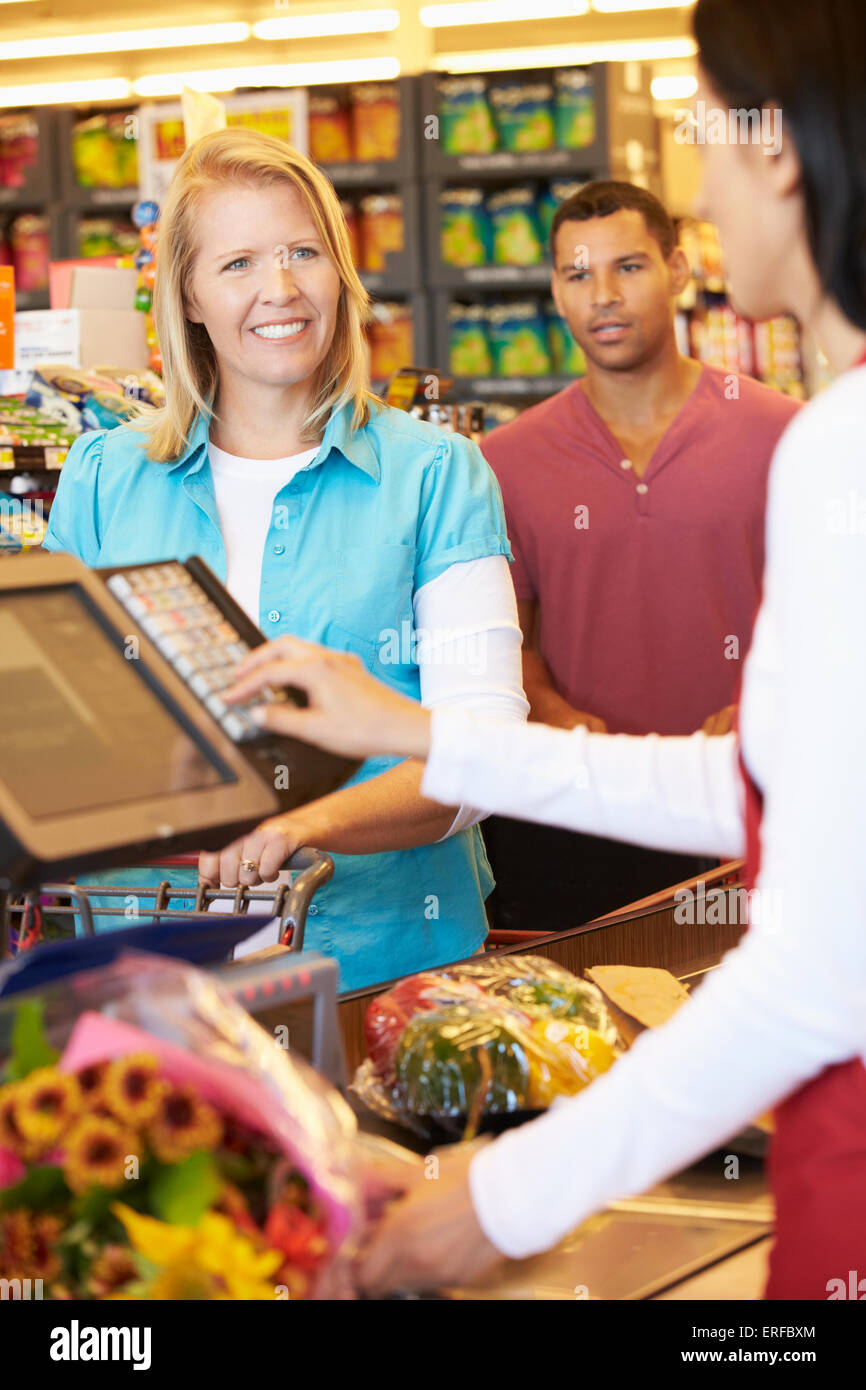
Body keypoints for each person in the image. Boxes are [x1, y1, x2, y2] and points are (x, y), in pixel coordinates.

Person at [216, 0, 866, 1299]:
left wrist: (496, 1204)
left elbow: (811, 973)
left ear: (775, 148)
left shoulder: (833, 450)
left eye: (703, 127)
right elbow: (755, 783)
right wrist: (417, 733)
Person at [42, 127, 528, 992]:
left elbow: (483, 753)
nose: (281, 289)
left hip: (380, 971)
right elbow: (49, 721)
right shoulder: (104, 476)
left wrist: (308, 822)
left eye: (304, 252)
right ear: (187, 294)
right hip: (144, 974)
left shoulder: (435, 474)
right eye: (237, 264)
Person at [480, 179, 800, 932]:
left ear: (679, 272)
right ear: (556, 292)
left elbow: (835, 617)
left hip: (754, 796)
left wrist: (764, 708)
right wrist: (561, 719)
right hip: (577, 816)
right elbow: (506, 640)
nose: (603, 296)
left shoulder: (783, 433)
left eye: (628, 266)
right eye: (577, 273)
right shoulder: (505, 460)